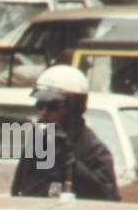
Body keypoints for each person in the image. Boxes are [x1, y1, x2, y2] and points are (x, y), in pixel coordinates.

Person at [11, 65, 119, 201]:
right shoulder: (38, 142)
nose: (44, 112)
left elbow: (109, 199)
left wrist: (71, 165)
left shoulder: (94, 150)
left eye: (53, 107)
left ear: (75, 107)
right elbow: (19, 191)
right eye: (40, 105)